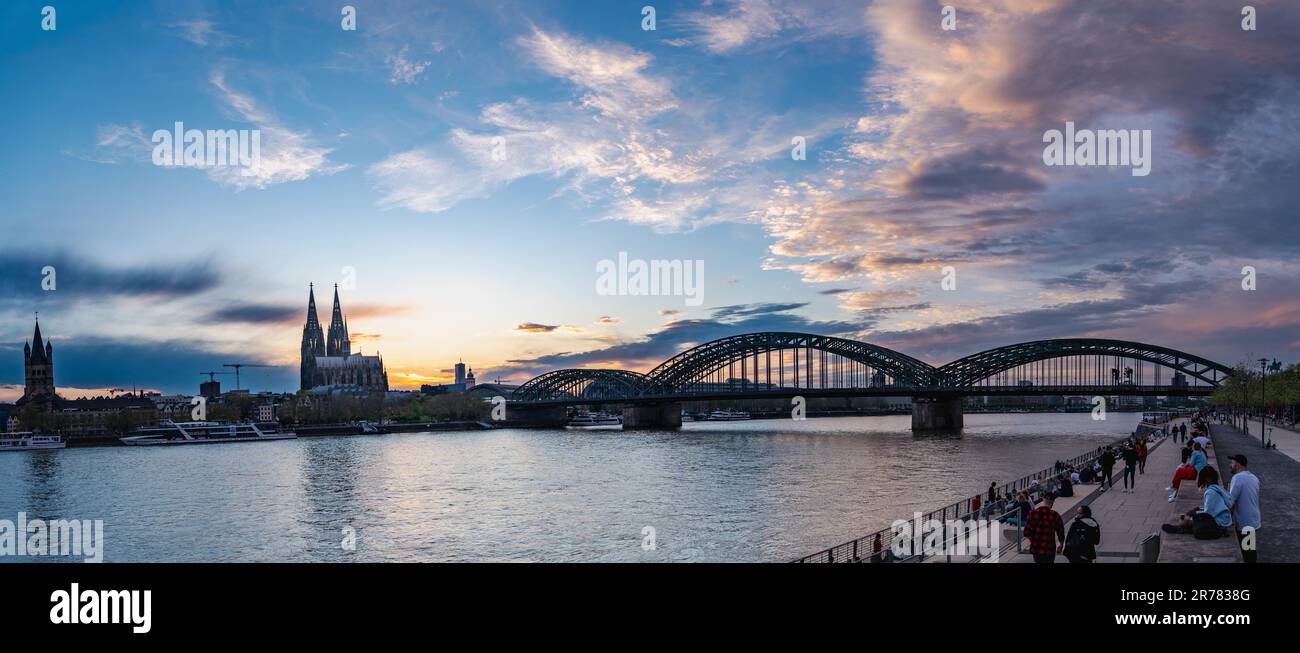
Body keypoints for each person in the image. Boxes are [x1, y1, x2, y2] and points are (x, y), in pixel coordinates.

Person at [1162, 466, 1231, 539]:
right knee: (1190, 514)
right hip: (1222, 519)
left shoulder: (1210, 492)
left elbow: (1208, 514)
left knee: (1188, 519)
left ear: (1207, 479)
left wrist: (1192, 517)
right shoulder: (1217, 488)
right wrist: (1196, 511)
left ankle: (1181, 527)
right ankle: (1182, 526)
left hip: (1219, 523)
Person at [1226, 454, 1260, 564]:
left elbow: (1230, 501)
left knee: (1246, 554)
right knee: (1249, 551)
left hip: (1244, 522)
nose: (1230, 465)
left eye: (1232, 463)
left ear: (1237, 464)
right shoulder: (1254, 477)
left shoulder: (1238, 478)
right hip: (1253, 519)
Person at [1023, 492, 1065, 564]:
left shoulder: (1033, 513)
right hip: (1050, 548)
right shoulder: (1055, 515)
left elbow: (1026, 532)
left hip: (1036, 547)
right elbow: (1061, 533)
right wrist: (1061, 545)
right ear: (1053, 501)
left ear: (1043, 499)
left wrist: (1032, 540)